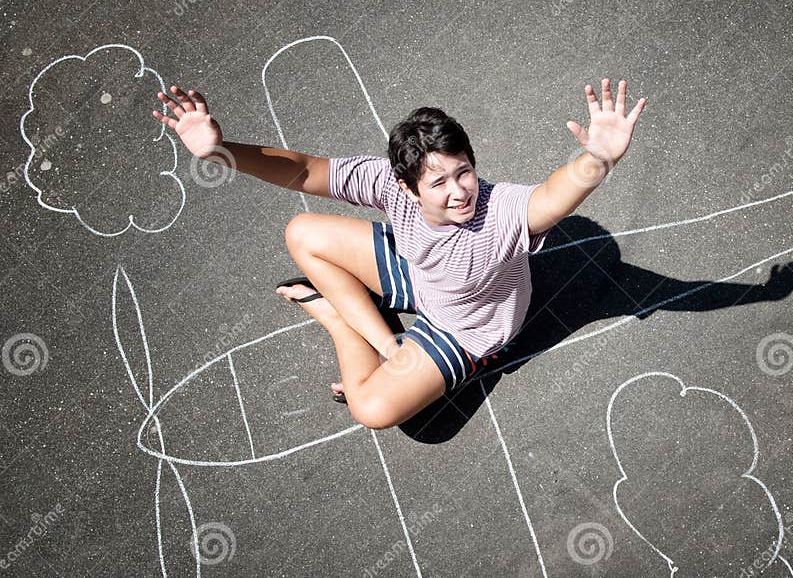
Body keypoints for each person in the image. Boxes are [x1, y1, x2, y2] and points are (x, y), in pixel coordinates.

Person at [152, 79, 647, 429]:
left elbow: (549, 197)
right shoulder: (386, 184)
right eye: (439, 182)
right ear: (407, 187)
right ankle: (385, 344)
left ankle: (339, 319)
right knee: (303, 231)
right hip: (421, 278)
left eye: (464, 172)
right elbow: (303, 171)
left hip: (466, 330)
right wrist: (223, 152)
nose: (459, 192)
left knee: (370, 409)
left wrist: (598, 158)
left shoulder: (500, 214)